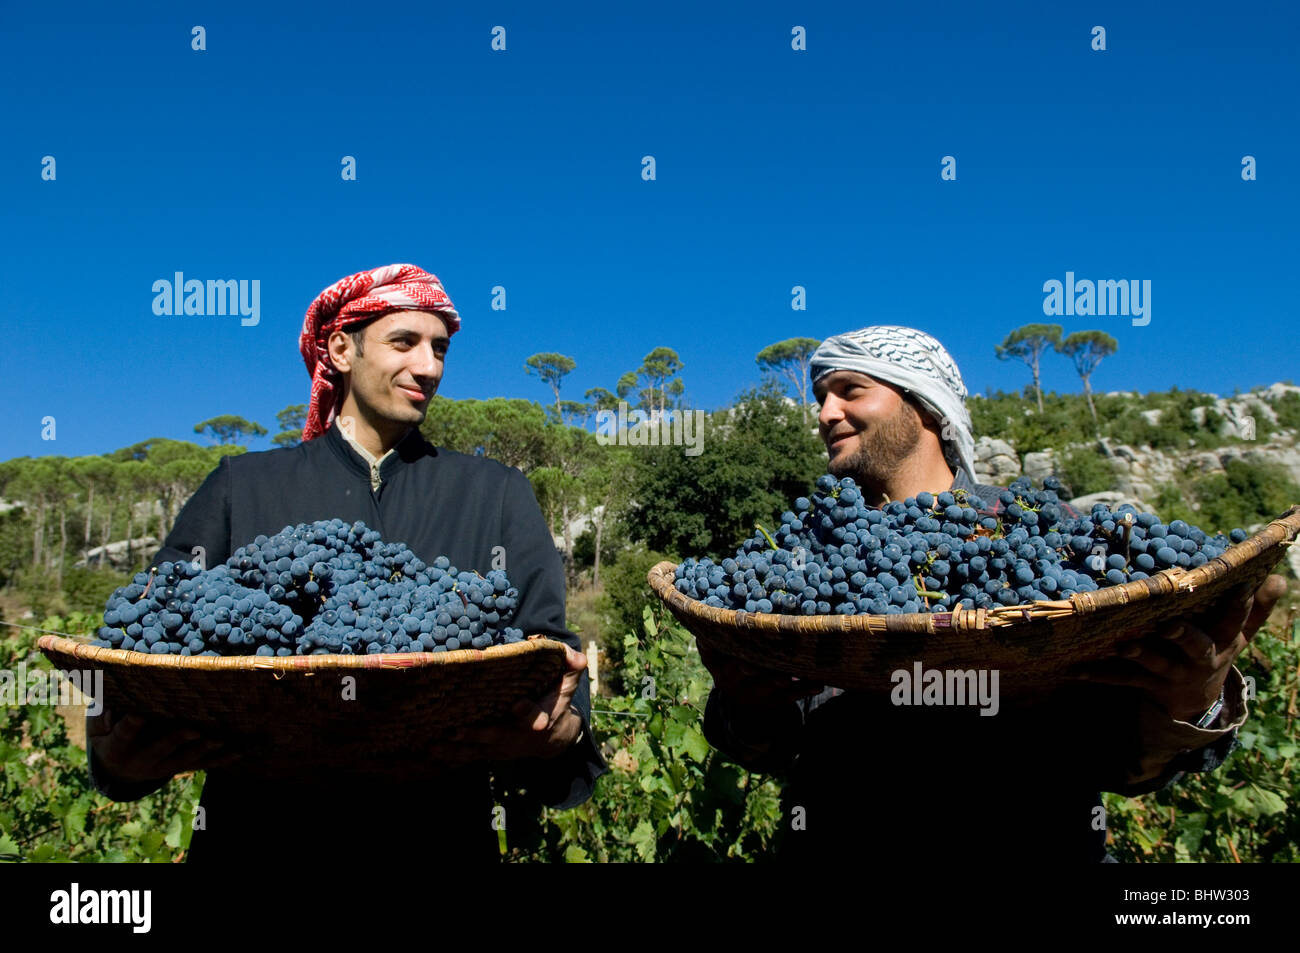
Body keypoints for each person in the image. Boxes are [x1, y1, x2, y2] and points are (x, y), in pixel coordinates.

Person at [700, 325, 1286, 862]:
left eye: (850, 390)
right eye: (821, 397)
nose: (826, 413)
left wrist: (1189, 704)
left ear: (924, 404)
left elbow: (1128, 767)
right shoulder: (798, 556)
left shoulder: (1042, 532)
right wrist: (745, 706)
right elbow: (768, 747)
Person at [87, 263, 607, 864]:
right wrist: (119, 762)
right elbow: (152, 646)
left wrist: (561, 736)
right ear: (339, 349)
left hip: (439, 843)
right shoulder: (240, 487)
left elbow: (551, 661)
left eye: (440, 348)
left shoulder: (495, 494)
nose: (429, 367)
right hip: (255, 843)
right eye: (404, 342)